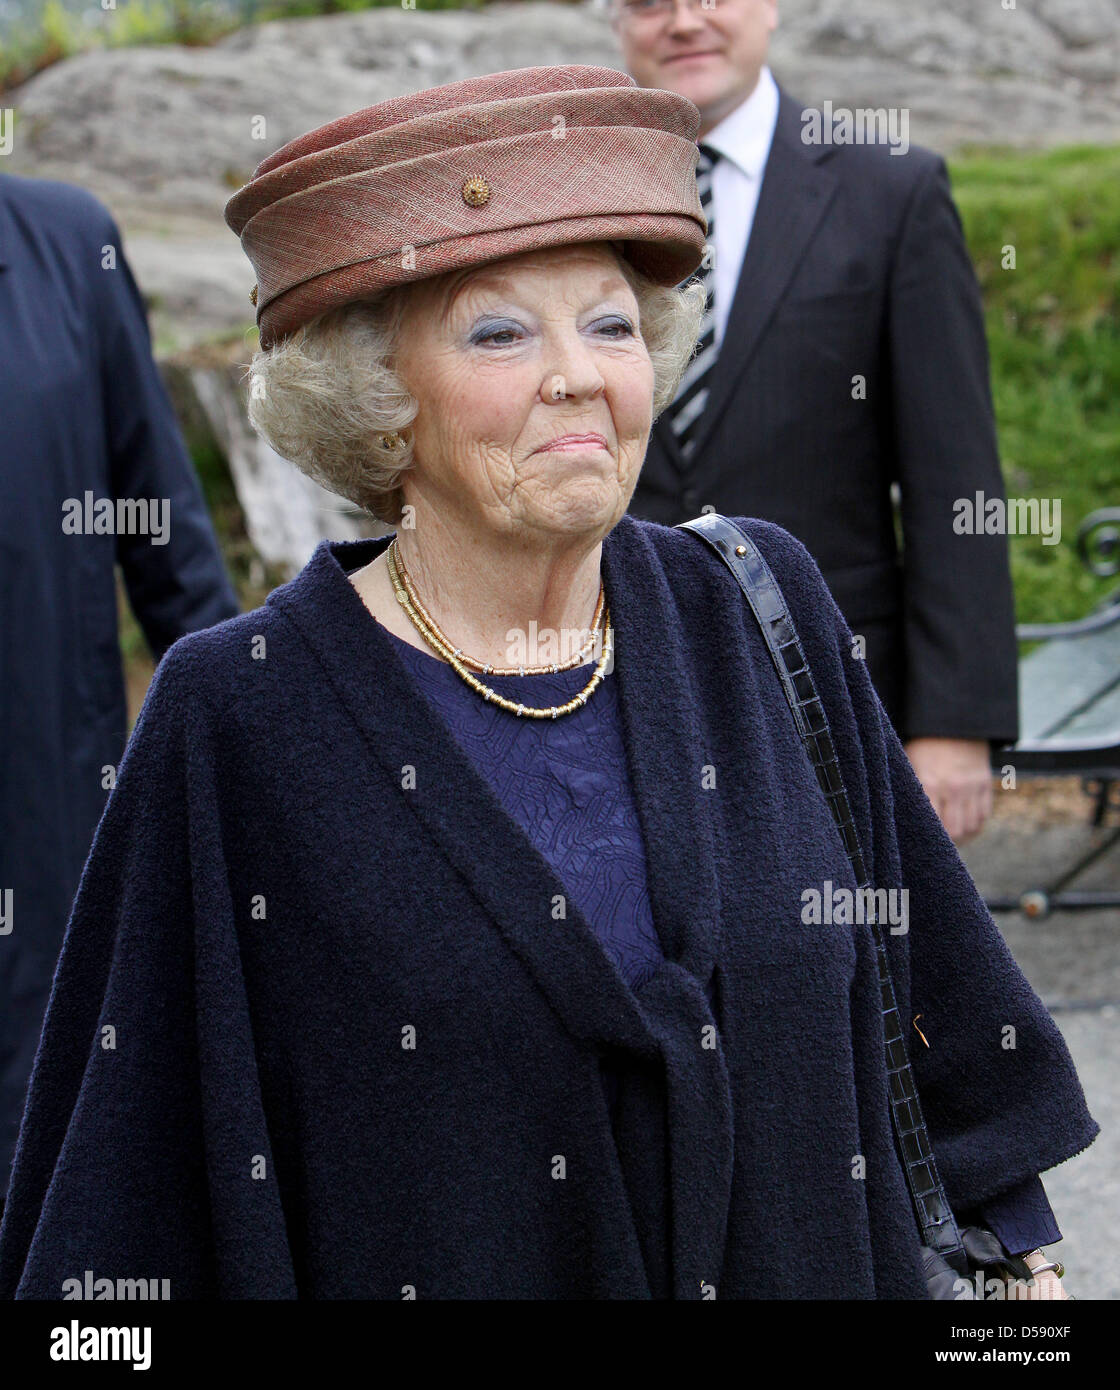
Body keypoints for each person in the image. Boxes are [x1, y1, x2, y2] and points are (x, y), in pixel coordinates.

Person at [0, 66, 1095, 1300]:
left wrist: (1021, 1275)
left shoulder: (757, 604)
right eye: (499, 331)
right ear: (377, 403)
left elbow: (946, 1029)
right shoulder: (238, 711)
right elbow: (125, 1200)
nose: (576, 374)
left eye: (612, 323)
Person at [610, 0, 1019, 845]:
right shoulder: (588, 203)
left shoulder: (892, 191)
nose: (686, 22)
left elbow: (954, 475)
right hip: (626, 686)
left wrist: (956, 722)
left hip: (836, 688)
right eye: (652, 1)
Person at [0, 173, 239, 1215]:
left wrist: (258, 741)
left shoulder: (65, 243)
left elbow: (163, 535)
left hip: (44, 796)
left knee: (45, 1133)